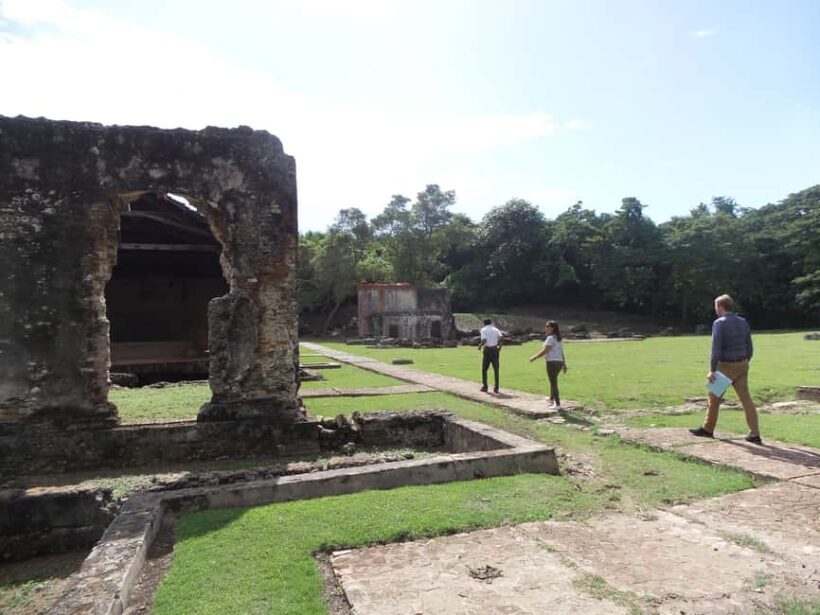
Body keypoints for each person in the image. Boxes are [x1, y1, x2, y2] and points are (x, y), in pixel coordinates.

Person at [690, 294, 762, 444]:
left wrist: (712, 370)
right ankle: (754, 434)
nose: (715, 309)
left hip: (725, 366)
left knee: (713, 397)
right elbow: (749, 346)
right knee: (746, 400)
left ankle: (708, 429)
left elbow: (715, 349)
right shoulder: (742, 322)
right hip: (742, 364)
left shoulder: (719, 323)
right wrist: (745, 361)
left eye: (716, 306)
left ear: (720, 307)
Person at [528, 320, 568, 409]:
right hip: (559, 362)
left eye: (547, 326)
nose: (546, 328)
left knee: (553, 382)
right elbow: (561, 352)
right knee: (553, 380)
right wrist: (564, 364)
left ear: (552, 328)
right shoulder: (558, 338)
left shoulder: (550, 338)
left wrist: (534, 357)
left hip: (552, 362)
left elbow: (545, 351)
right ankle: (551, 398)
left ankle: (557, 404)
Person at [477, 318, 503, 393]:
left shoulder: (483, 330)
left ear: (484, 323)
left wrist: (479, 346)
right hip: (495, 349)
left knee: (484, 369)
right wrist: (499, 348)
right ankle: (496, 387)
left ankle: (485, 386)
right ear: (491, 323)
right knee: (496, 369)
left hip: (487, 349)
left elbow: (484, 340)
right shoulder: (496, 329)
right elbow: (501, 337)